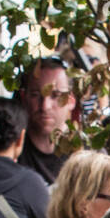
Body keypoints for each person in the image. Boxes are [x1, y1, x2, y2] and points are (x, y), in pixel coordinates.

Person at [17, 56, 80, 185]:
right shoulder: (7, 146)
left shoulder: (87, 152)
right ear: (24, 98)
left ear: (70, 101)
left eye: (55, 95)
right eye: (35, 95)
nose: (45, 106)